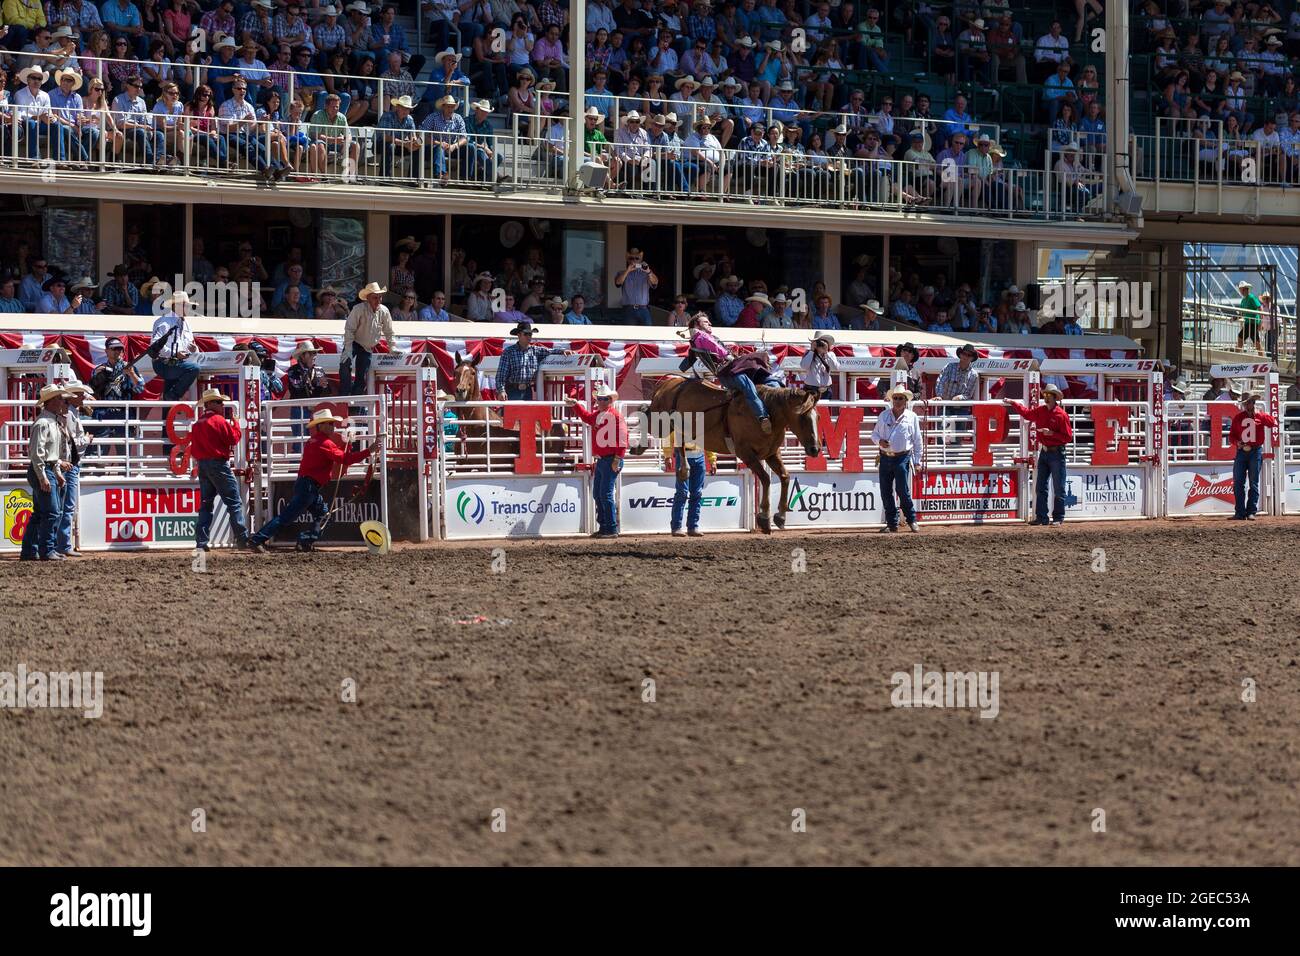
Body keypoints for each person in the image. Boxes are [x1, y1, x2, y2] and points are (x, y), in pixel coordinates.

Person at [247, 409, 381, 552]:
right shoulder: (325, 443)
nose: (333, 426)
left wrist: (346, 445)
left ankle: (304, 541)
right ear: (321, 425)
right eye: (329, 423)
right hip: (309, 487)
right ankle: (257, 540)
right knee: (290, 517)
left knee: (321, 515)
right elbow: (344, 459)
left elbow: (339, 456)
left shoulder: (315, 441)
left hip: (307, 486)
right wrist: (369, 450)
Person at [686, 312, 782, 433]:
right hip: (728, 372)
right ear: (697, 325)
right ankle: (763, 415)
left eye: (709, 321)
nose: (710, 323)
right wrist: (728, 356)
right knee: (750, 383)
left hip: (730, 371)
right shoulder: (702, 336)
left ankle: (773, 406)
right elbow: (717, 349)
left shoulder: (699, 338)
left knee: (760, 375)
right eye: (705, 322)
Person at [189, 387, 254, 551]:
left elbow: (195, 448)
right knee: (234, 502)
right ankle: (242, 539)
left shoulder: (198, 424)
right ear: (210, 404)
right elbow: (234, 438)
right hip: (218, 464)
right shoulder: (218, 420)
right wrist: (236, 424)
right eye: (218, 402)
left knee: (206, 504)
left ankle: (201, 542)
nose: (221, 404)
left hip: (203, 465)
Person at [1004, 383, 1073, 525]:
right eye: (1045, 395)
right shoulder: (1041, 411)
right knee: (1040, 486)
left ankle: (1058, 518)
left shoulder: (1061, 415)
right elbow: (1027, 414)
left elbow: (1067, 437)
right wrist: (1013, 403)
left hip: (1056, 452)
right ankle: (1042, 517)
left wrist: (1051, 433)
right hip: (1046, 451)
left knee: (1058, 487)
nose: (1046, 398)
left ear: (1055, 398)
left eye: (1049, 395)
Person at [566, 384, 627, 538]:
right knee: (599, 494)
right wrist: (576, 406)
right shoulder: (601, 415)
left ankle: (610, 528)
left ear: (610, 400)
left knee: (604, 494)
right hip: (604, 460)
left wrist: (618, 458)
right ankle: (605, 527)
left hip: (611, 459)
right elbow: (587, 417)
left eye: (604, 399)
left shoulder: (614, 416)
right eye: (599, 399)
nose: (601, 401)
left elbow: (622, 439)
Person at [21, 385, 72, 561]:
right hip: (42, 470)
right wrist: (43, 476)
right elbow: (37, 453)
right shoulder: (44, 423)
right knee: (51, 512)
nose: (62, 401)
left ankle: (30, 551)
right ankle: (46, 549)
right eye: (59, 398)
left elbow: (48, 454)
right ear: (50, 401)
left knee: (42, 512)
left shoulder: (50, 422)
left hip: (45, 469)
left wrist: (55, 472)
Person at [871, 386, 922, 533]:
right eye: (896, 398)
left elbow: (917, 440)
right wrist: (879, 442)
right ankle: (892, 523)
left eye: (900, 398)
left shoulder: (912, 417)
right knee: (885, 491)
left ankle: (911, 519)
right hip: (885, 457)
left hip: (902, 457)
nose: (898, 401)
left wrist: (918, 461)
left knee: (902, 490)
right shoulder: (883, 416)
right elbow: (874, 435)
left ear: (906, 401)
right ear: (892, 400)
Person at [52, 383, 93, 558]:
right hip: (69, 463)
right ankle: (62, 544)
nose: (84, 397)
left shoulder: (70, 412)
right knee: (65, 506)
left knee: (62, 506)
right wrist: (87, 439)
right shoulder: (69, 414)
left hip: (67, 462)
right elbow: (73, 441)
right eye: (81, 394)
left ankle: (57, 544)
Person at [340, 281, 395, 395]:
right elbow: (349, 329)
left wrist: (392, 347)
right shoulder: (358, 309)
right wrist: (348, 349)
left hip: (368, 347)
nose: (378, 300)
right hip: (354, 343)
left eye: (380, 297)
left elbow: (389, 331)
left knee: (361, 377)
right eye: (375, 297)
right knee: (345, 365)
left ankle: (355, 406)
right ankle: (344, 397)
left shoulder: (384, 311)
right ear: (368, 298)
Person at [1230, 392, 1279, 521]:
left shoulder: (1259, 416)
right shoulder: (1238, 418)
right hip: (1242, 451)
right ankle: (1240, 512)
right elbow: (1232, 436)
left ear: (1253, 403)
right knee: (1238, 482)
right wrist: (1237, 443)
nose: (1247, 405)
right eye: (1245, 403)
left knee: (1253, 482)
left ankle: (1251, 511)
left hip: (1255, 450)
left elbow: (1272, 423)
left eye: (1249, 402)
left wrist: (1259, 414)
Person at [89, 336, 143, 447]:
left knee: (124, 452)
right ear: (106, 351)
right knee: (100, 452)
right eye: (114, 349)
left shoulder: (130, 368)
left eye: (120, 349)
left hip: (123, 414)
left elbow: (140, 389)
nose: (118, 351)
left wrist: (132, 374)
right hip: (103, 414)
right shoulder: (99, 369)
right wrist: (99, 376)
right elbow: (91, 389)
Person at [497, 321, 569, 400]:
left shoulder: (535, 350)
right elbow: (501, 374)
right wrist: (501, 391)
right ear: (519, 335)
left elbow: (550, 351)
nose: (529, 337)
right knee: (513, 412)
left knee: (528, 412)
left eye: (530, 334)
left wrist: (562, 351)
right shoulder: (508, 352)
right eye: (526, 334)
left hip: (528, 391)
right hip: (512, 390)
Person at [150, 289, 200, 400]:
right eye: (186, 305)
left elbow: (191, 345)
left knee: (170, 389)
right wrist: (175, 354)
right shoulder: (164, 322)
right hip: (163, 363)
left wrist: (194, 350)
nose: (189, 308)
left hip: (176, 363)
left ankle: (169, 402)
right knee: (194, 369)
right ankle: (172, 396)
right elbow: (155, 346)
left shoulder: (186, 324)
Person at [614, 246, 658, 325]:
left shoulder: (646, 272)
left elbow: (655, 283)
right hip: (628, 309)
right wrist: (628, 270)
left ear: (640, 260)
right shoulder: (622, 273)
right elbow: (618, 283)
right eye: (631, 258)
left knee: (647, 335)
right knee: (629, 336)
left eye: (636, 258)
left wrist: (648, 271)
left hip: (644, 308)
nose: (634, 260)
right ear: (628, 260)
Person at [800, 331, 838, 397]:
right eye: (819, 343)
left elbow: (835, 368)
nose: (821, 345)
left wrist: (826, 353)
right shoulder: (809, 354)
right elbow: (804, 366)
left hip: (826, 390)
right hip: (811, 389)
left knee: (825, 407)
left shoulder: (830, 354)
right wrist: (812, 350)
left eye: (823, 342)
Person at [1236, 280, 1262, 353]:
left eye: (1242, 289)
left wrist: (1260, 322)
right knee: (1256, 342)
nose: (1241, 291)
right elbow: (1241, 313)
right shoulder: (1243, 300)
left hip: (1253, 323)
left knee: (1241, 337)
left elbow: (1260, 308)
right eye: (1241, 289)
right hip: (1248, 323)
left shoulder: (1251, 297)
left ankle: (1237, 354)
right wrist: (1234, 318)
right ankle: (1237, 354)